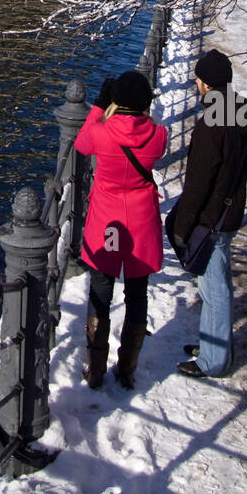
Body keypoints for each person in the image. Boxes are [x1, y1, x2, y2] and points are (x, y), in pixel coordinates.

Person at [74, 69, 168, 390]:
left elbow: (82, 142)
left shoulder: (102, 133)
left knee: (101, 289)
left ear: (117, 102)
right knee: (137, 293)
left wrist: (100, 105)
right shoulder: (158, 136)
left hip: (107, 221)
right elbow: (152, 133)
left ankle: (95, 368)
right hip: (141, 221)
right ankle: (127, 368)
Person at [172, 48, 247, 379]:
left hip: (211, 218)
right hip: (230, 210)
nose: (196, 82)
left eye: (198, 78)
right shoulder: (242, 109)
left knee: (215, 287)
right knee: (213, 284)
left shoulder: (211, 121)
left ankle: (214, 360)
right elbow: (245, 163)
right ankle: (210, 344)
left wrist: (183, 224)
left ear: (206, 84)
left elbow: (198, 181)